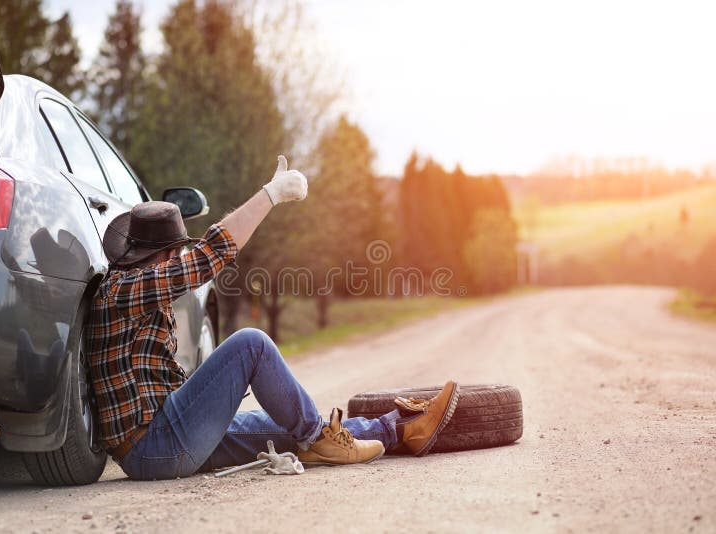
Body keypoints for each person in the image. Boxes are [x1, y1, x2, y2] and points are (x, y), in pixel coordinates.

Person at [86, 155, 459, 480]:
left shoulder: (135, 291)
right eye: (173, 256)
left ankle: (400, 429)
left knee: (287, 428)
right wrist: (270, 195)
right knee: (252, 345)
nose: (176, 262)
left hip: (166, 434)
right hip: (155, 447)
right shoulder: (124, 290)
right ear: (162, 257)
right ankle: (318, 440)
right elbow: (207, 256)